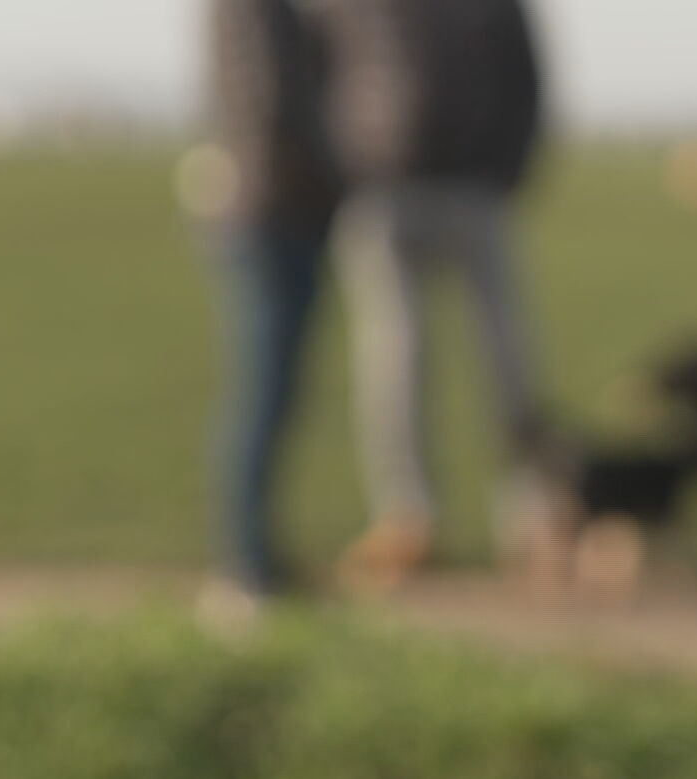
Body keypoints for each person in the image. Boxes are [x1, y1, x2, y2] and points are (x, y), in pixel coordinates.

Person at [311, 0, 551, 592]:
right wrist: (345, 163)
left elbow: (526, 78)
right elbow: (316, 68)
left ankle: (533, 516)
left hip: (475, 190)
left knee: (509, 361)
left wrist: (506, 168)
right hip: (382, 190)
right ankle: (406, 518)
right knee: (395, 361)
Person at [203, 0, 341, 610]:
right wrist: (341, 166)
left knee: (275, 394)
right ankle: (246, 565)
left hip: (279, 211)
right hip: (271, 214)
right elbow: (274, 101)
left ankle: (258, 557)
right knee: (262, 393)